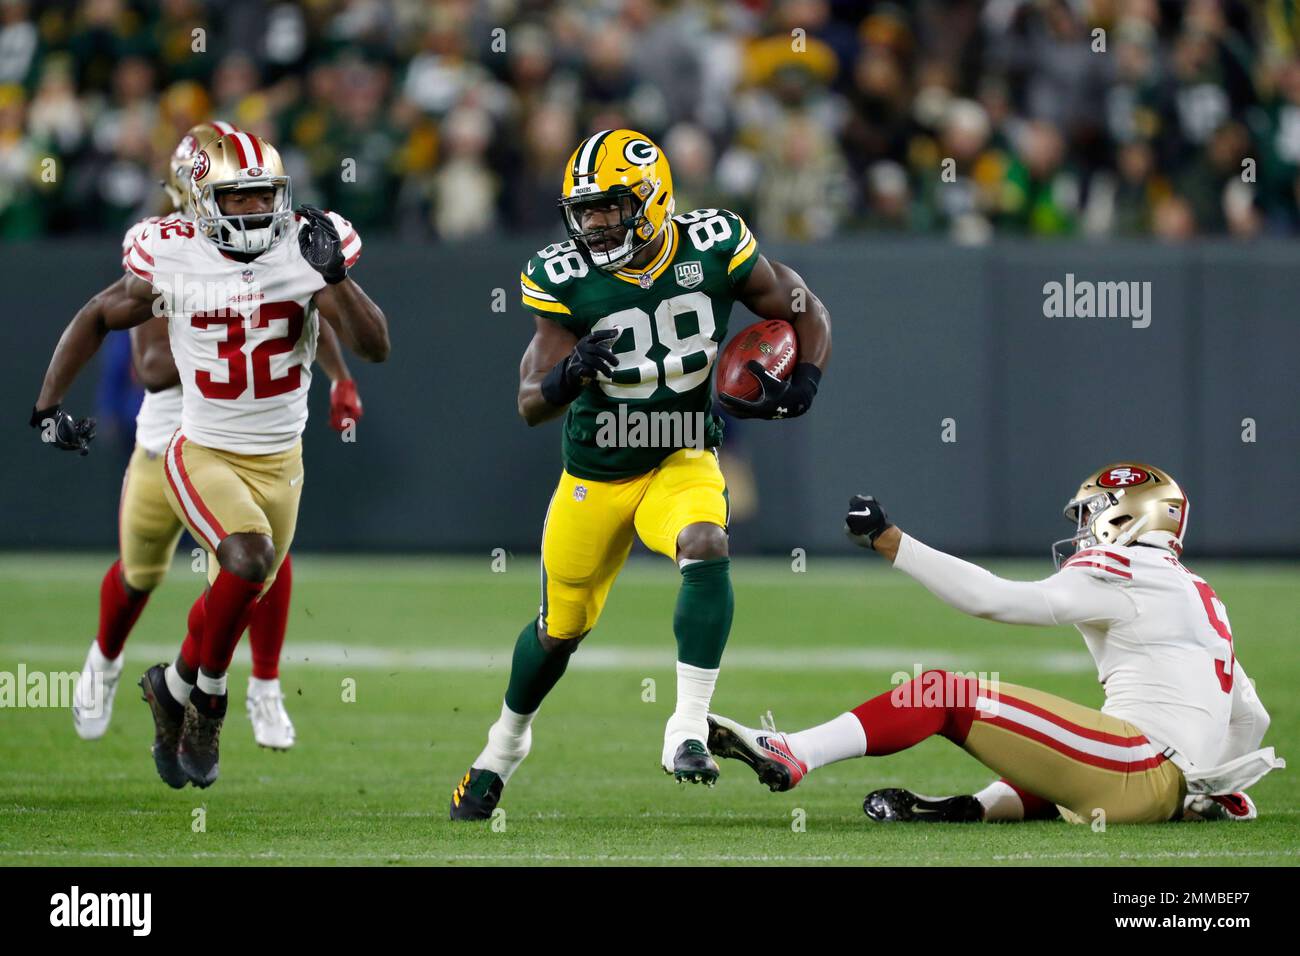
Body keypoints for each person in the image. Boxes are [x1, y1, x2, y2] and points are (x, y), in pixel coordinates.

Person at [451, 128, 832, 820]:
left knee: (708, 544)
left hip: (680, 455)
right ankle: (502, 747)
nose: (595, 224)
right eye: (586, 210)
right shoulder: (565, 278)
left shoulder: (714, 243)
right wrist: (568, 373)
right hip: (596, 472)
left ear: (654, 199)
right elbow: (529, 403)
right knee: (558, 630)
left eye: (610, 207)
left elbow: (804, 307)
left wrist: (806, 374)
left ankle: (686, 726)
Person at [32, 130, 389, 788]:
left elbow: (374, 345)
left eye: (265, 196)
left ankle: (170, 686)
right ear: (199, 201)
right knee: (237, 560)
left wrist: (333, 276)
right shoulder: (173, 253)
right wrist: (48, 407)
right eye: (238, 197)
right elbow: (100, 318)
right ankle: (207, 700)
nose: (256, 211)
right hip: (197, 447)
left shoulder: (306, 247)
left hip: (282, 457)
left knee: (247, 584)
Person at [709, 463, 1283, 824]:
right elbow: (1249, 718)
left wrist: (892, 542)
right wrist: (1203, 791)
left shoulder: (1126, 567)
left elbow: (995, 600)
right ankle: (976, 808)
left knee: (942, 693)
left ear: (1126, 516)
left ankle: (796, 751)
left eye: (1092, 516)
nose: (1085, 531)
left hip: (1134, 764)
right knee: (1050, 763)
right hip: (1159, 784)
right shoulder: (1202, 595)